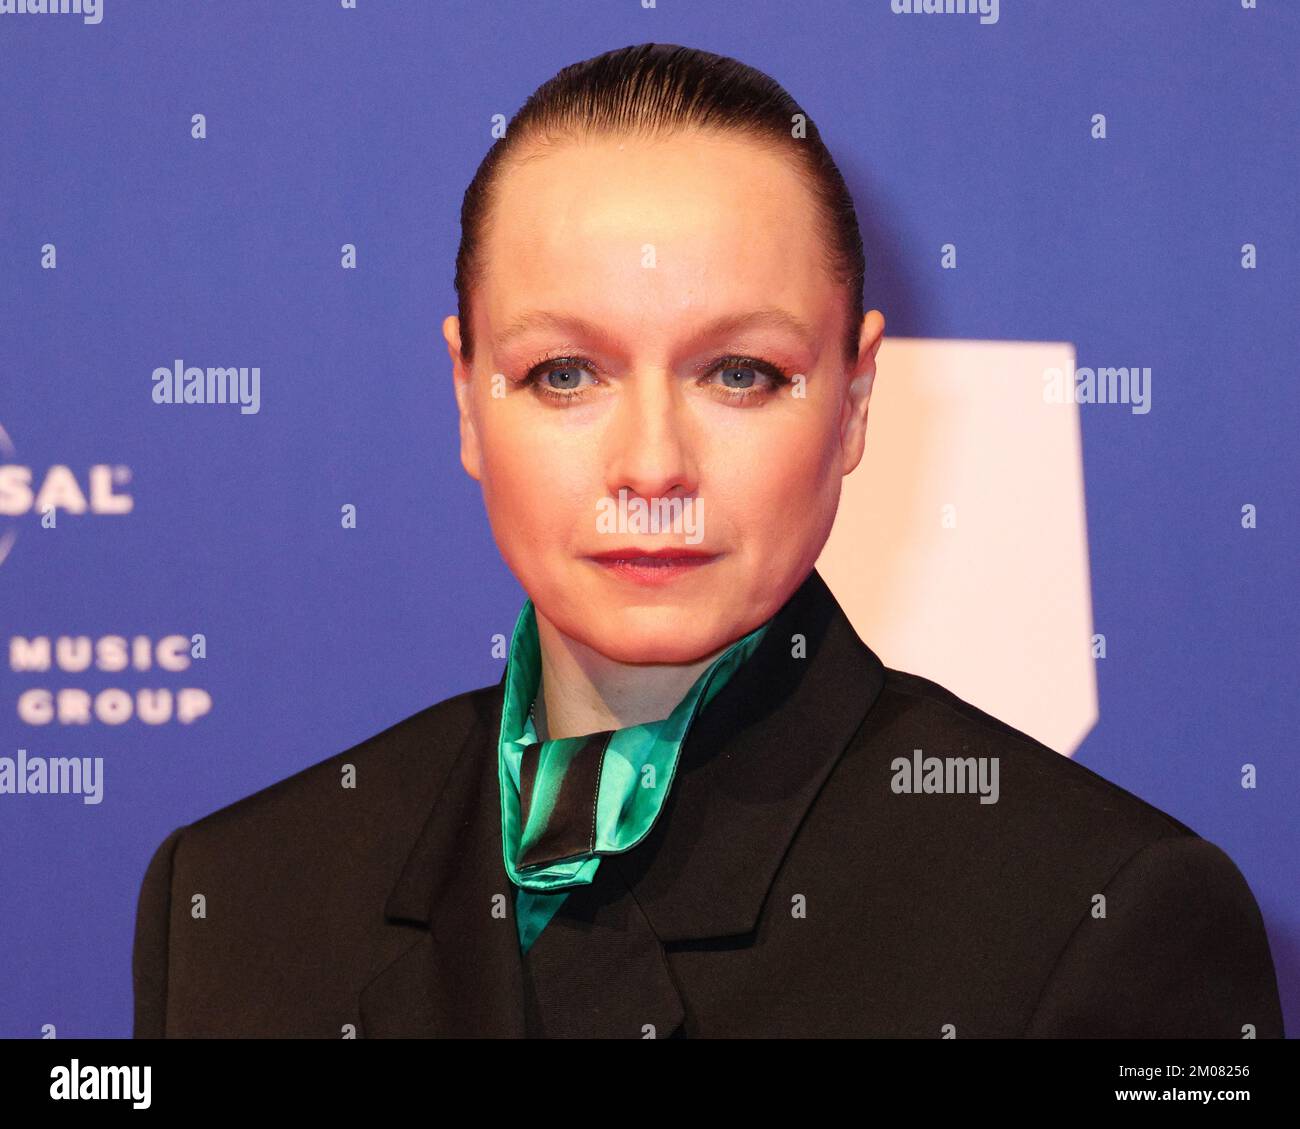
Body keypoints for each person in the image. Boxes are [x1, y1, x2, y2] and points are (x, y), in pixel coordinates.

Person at [132, 42, 1285, 1038]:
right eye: (563, 373)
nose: (651, 467)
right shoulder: (232, 899)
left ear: (854, 400)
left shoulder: (1097, 911)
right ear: (466, 396)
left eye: (739, 373)